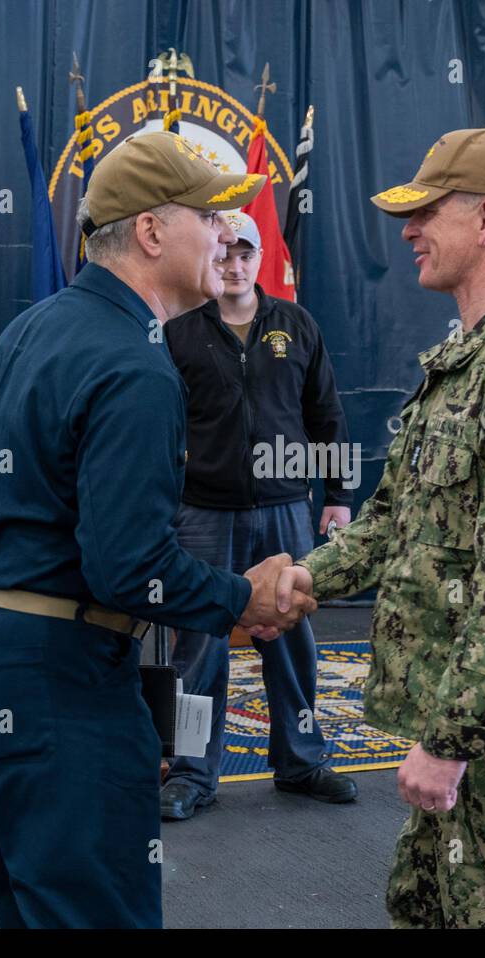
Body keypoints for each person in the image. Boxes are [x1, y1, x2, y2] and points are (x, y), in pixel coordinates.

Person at [0, 131, 316, 929]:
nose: (227, 234)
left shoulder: (32, 329)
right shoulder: (137, 365)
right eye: (210, 216)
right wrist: (237, 596)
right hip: (56, 679)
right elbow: (128, 568)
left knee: (41, 908)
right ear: (149, 232)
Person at [278, 128, 485, 928]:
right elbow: (397, 521)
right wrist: (303, 579)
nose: (409, 230)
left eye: (427, 211)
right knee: (424, 909)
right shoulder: (469, 361)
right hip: (467, 731)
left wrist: (450, 741)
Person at [160, 211, 357, 819]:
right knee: (198, 648)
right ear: (209, 257)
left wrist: (340, 494)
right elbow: (157, 422)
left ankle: (300, 760)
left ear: (260, 259)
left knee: (292, 641)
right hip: (202, 512)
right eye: (223, 252)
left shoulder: (296, 325)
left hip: (285, 512)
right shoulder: (178, 330)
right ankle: (192, 772)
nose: (234, 264)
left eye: (245, 253)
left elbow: (325, 413)